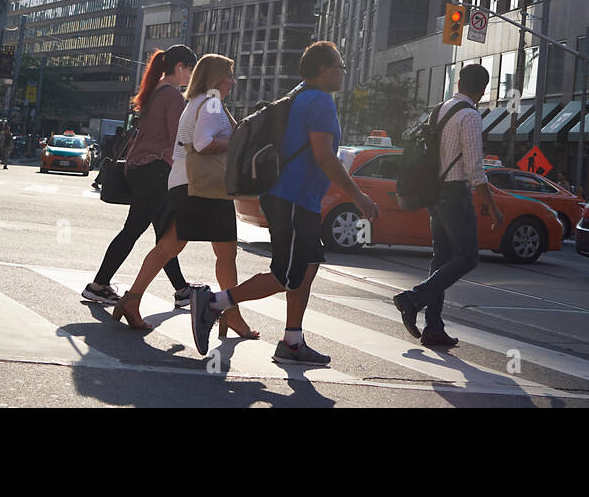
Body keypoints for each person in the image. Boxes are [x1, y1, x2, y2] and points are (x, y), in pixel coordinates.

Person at [190, 41, 380, 365]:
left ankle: (292, 340)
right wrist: (358, 196)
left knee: (307, 265)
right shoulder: (320, 100)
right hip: (293, 198)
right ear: (324, 70)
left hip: (291, 197)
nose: (343, 73)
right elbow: (324, 156)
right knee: (285, 274)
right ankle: (213, 302)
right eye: (340, 67)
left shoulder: (299, 94)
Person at [110, 55, 261, 340]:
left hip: (187, 184)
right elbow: (203, 143)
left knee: (174, 246)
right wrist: (238, 140)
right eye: (228, 75)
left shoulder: (196, 101)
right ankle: (231, 314)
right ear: (216, 78)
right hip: (204, 187)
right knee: (223, 254)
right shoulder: (212, 102)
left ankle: (132, 299)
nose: (232, 81)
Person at [392, 64, 503, 348]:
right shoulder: (469, 115)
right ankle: (413, 298)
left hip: (434, 192)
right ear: (482, 90)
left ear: (459, 83)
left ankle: (433, 328)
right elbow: (475, 167)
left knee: (441, 259)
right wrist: (491, 205)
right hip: (454, 193)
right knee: (468, 257)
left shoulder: (439, 109)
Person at [81, 45, 198, 309]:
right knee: (135, 230)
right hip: (155, 171)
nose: (191, 77)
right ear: (180, 67)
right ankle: (98, 285)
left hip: (140, 168)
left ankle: (181, 289)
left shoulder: (155, 91)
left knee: (163, 233)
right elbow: (178, 139)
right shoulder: (173, 97)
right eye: (191, 70)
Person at [91, 125, 125, 189]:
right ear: (121, 132)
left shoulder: (111, 139)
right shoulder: (121, 139)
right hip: (114, 157)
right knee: (110, 171)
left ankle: (97, 182)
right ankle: (102, 183)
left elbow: (104, 147)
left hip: (107, 157)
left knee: (104, 170)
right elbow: (115, 148)